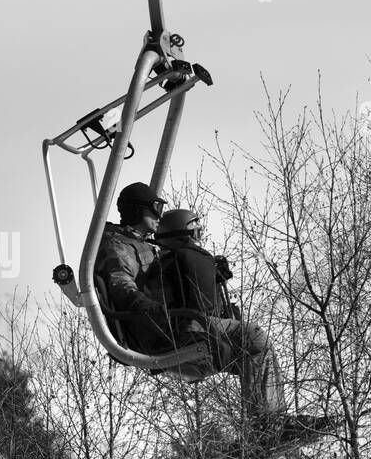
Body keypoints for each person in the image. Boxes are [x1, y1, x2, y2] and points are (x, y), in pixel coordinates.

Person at [152, 208, 290, 427]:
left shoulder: (173, 262)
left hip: (192, 333)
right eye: (194, 230)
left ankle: (266, 423)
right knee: (253, 339)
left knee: (251, 351)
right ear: (180, 233)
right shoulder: (170, 264)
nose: (198, 235)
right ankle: (266, 423)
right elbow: (179, 307)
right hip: (188, 333)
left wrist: (214, 278)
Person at [93, 183, 208, 355]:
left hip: (175, 321)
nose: (159, 215)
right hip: (160, 329)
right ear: (137, 210)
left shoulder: (142, 243)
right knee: (253, 337)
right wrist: (149, 308)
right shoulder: (118, 246)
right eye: (155, 208)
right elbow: (120, 285)